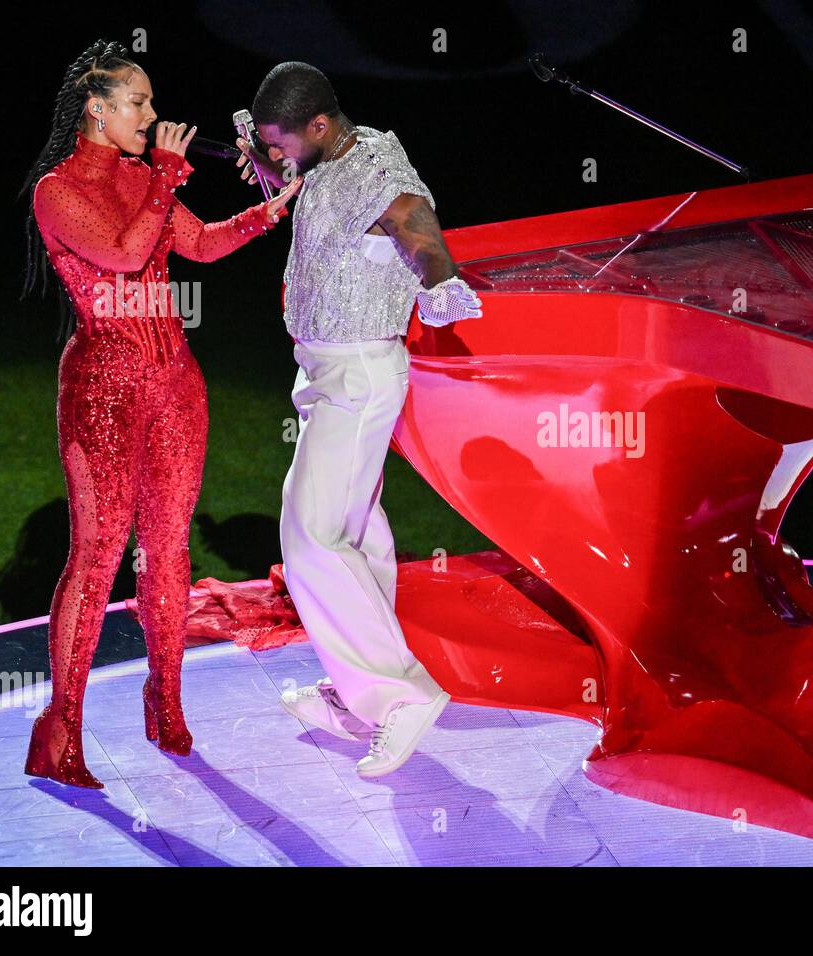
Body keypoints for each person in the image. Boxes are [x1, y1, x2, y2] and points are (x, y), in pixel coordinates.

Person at [20, 39, 301, 788]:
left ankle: (166, 702)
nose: (151, 115)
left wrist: (265, 212)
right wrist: (168, 178)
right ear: (97, 108)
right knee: (99, 552)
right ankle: (64, 729)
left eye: (149, 102)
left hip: (175, 384)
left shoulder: (148, 178)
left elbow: (197, 245)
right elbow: (119, 252)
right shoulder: (56, 191)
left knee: (170, 549)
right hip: (102, 391)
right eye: (137, 103)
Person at [235, 61, 481, 778]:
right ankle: (357, 696)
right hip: (326, 375)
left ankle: (400, 697)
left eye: (284, 143)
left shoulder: (376, 166)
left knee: (310, 532)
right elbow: (299, 182)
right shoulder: (327, 158)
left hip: (360, 376)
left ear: (319, 124)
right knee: (356, 534)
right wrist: (263, 156)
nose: (279, 156)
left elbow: (413, 218)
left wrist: (440, 282)